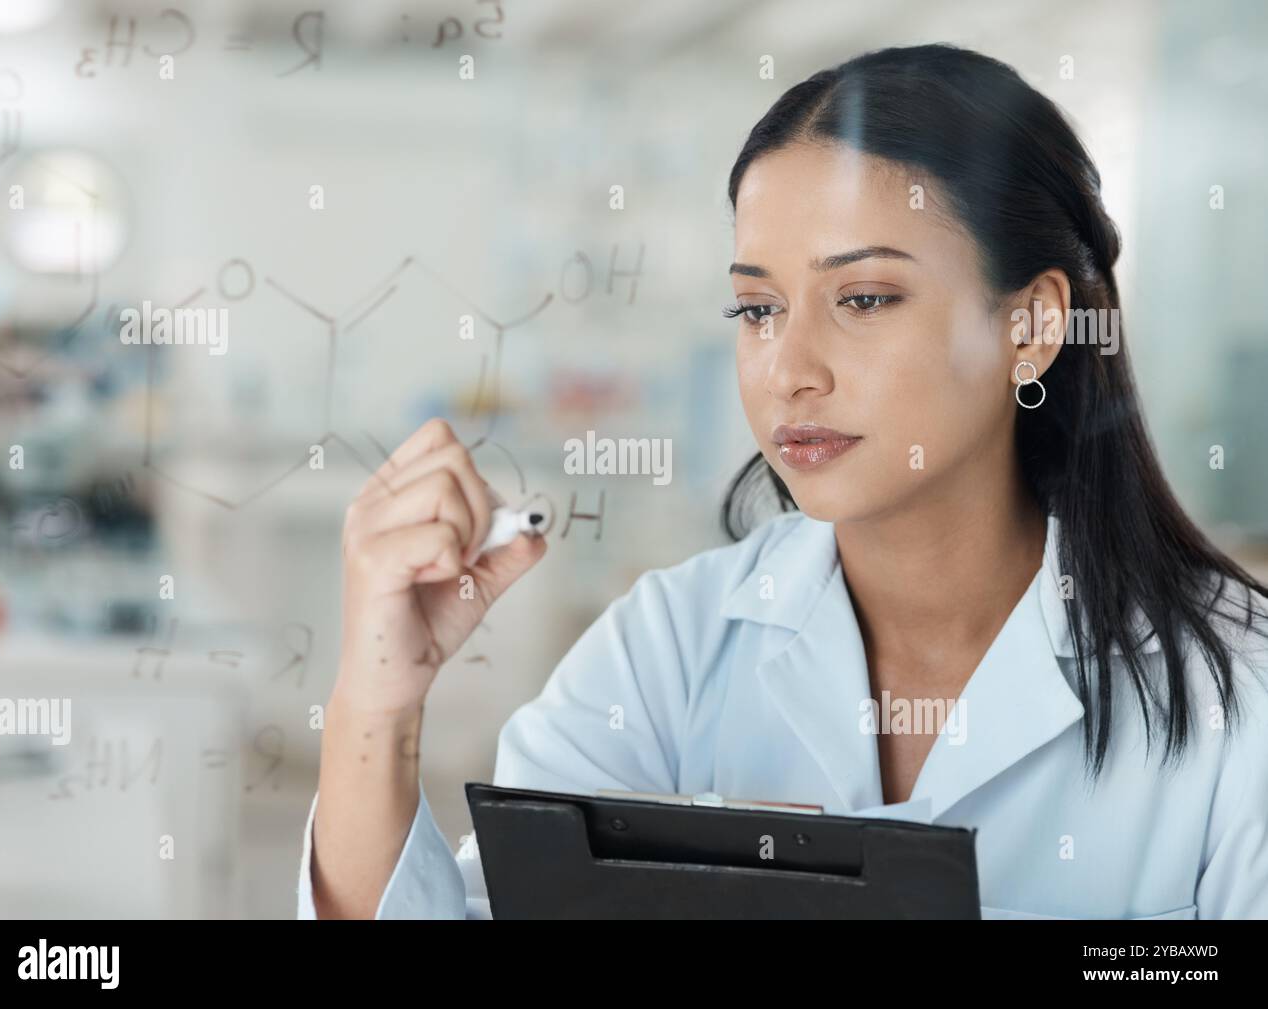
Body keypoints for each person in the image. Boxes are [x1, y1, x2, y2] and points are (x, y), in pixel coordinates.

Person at [297, 43, 1268, 920]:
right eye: (757, 307)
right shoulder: (668, 650)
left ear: (1030, 326)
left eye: (863, 298)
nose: (787, 367)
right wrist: (374, 707)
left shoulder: (1239, 697)